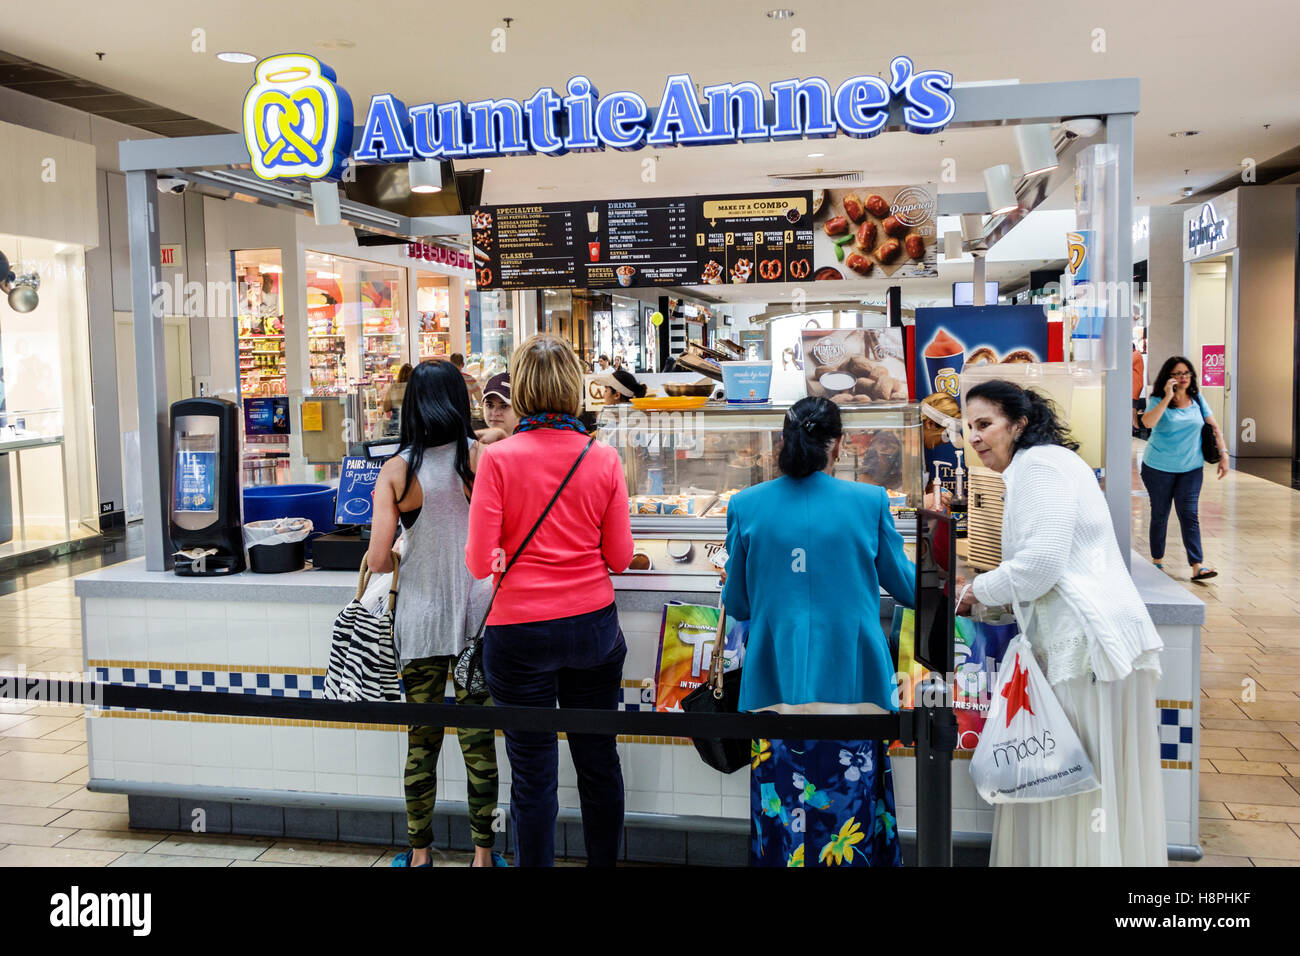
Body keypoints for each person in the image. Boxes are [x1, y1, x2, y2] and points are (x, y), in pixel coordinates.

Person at [955, 379, 1166, 866]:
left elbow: (1040, 566)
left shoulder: (1040, 467)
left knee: (1072, 783)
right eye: (970, 427)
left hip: (1084, 646)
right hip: (1099, 645)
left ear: (1020, 422)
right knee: (1093, 784)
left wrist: (973, 592)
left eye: (985, 424)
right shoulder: (1047, 465)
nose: (975, 437)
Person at [721, 396, 913, 868]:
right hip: (853, 680)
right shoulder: (869, 502)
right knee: (851, 812)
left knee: (782, 809)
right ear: (840, 445)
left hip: (775, 680)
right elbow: (909, 588)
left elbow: (740, 604)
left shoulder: (746, 505)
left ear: (783, 442)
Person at [466, 333, 635, 867]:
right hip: (592, 629)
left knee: (533, 774)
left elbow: (477, 562)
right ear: (572, 387)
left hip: (517, 635)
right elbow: (621, 557)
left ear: (520, 390)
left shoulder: (497, 459)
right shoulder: (601, 456)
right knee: (597, 761)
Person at [365, 360, 508, 868]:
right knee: (479, 746)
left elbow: (380, 559)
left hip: (419, 623)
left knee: (421, 742)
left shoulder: (397, 470)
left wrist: (409, 549)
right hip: (476, 619)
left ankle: (421, 855)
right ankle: (483, 858)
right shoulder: (480, 459)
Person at [1139, 356, 1228, 582]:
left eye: (1186, 373)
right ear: (1168, 377)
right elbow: (1148, 423)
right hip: (1158, 467)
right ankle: (1157, 561)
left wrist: (1224, 454)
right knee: (1160, 514)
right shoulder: (1158, 398)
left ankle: (1197, 566)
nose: (1183, 377)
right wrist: (1168, 396)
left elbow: (1213, 426)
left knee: (1189, 514)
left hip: (1191, 467)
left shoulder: (1197, 398)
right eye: (1177, 373)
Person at [380, 363, 412, 434]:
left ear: (399, 375)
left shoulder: (393, 388)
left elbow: (386, 408)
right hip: (412, 425)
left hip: (396, 425)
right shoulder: (415, 388)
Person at [1131, 344, 1149, 439]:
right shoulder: (1135, 354)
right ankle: (1134, 426)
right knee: (1132, 406)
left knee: (1132, 406)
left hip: (1135, 384)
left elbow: (1126, 363)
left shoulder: (1136, 354)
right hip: (1134, 383)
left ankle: (1136, 426)